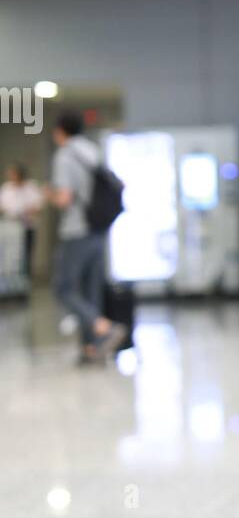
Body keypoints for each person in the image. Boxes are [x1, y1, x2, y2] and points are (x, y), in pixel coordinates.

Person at [47, 112, 124, 364]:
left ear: (61, 131)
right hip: (99, 229)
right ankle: (91, 348)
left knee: (64, 287)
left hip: (77, 230)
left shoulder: (65, 155)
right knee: (91, 289)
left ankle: (102, 327)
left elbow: (65, 198)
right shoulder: (92, 150)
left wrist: (47, 193)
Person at [0, 163, 43, 278]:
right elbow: (2, 206)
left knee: (26, 256)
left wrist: (25, 212)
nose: (11, 178)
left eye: (13, 175)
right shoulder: (6, 188)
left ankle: (24, 284)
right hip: (10, 228)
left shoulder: (31, 187)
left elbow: (38, 207)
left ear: (20, 175)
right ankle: (10, 283)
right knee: (10, 256)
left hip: (27, 226)